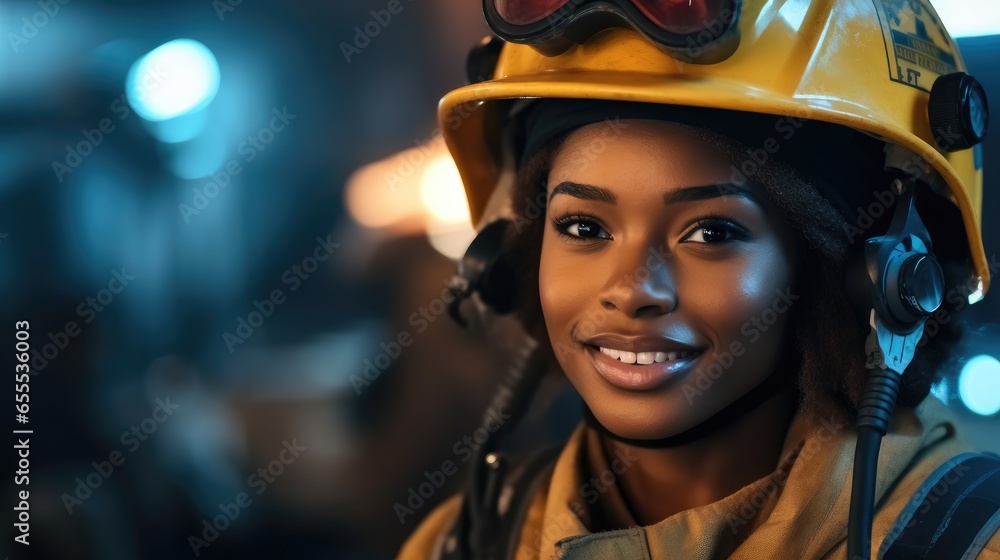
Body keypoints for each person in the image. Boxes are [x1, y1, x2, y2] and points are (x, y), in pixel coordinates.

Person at [399, 0, 999, 558]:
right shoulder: (459, 543)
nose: (633, 290)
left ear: (871, 278)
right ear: (515, 258)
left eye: (710, 233)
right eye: (583, 227)